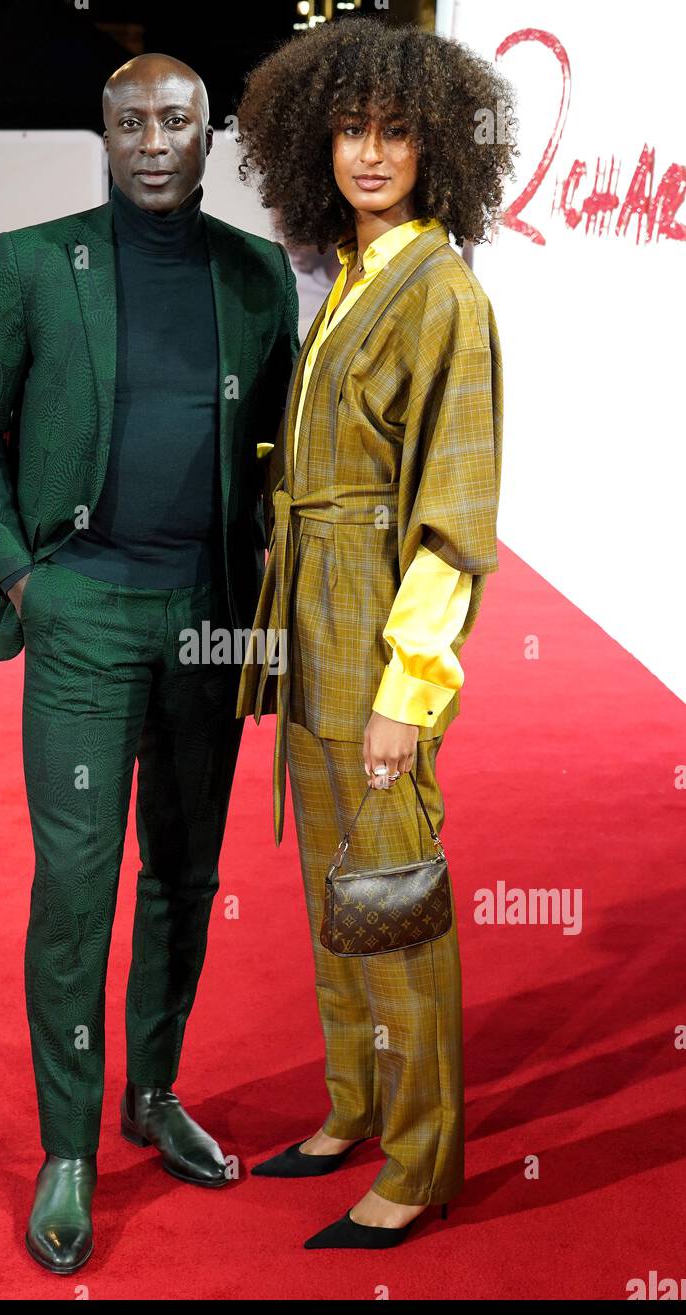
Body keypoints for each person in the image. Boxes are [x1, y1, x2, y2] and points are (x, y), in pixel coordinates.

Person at [0, 52, 298, 1273]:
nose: (154, 141)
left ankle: (154, 1093)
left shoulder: (256, 280)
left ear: (215, 136)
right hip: (81, 611)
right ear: (102, 130)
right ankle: (69, 1148)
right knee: (78, 885)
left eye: (178, 121)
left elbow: (268, 469)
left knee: (186, 875)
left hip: (208, 617)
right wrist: (19, 577)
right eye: (132, 120)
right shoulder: (35, 263)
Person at [235, 18, 515, 1248]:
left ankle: (420, 1156)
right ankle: (353, 1101)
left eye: (396, 131)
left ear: (435, 145)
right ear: (317, 139)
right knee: (331, 876)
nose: (369, 152)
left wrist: (411, 687)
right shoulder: (348, 272)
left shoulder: (441, 290)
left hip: (376, 619)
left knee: (392, 888)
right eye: (351, 128)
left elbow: (453, 520)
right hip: (306, 612)